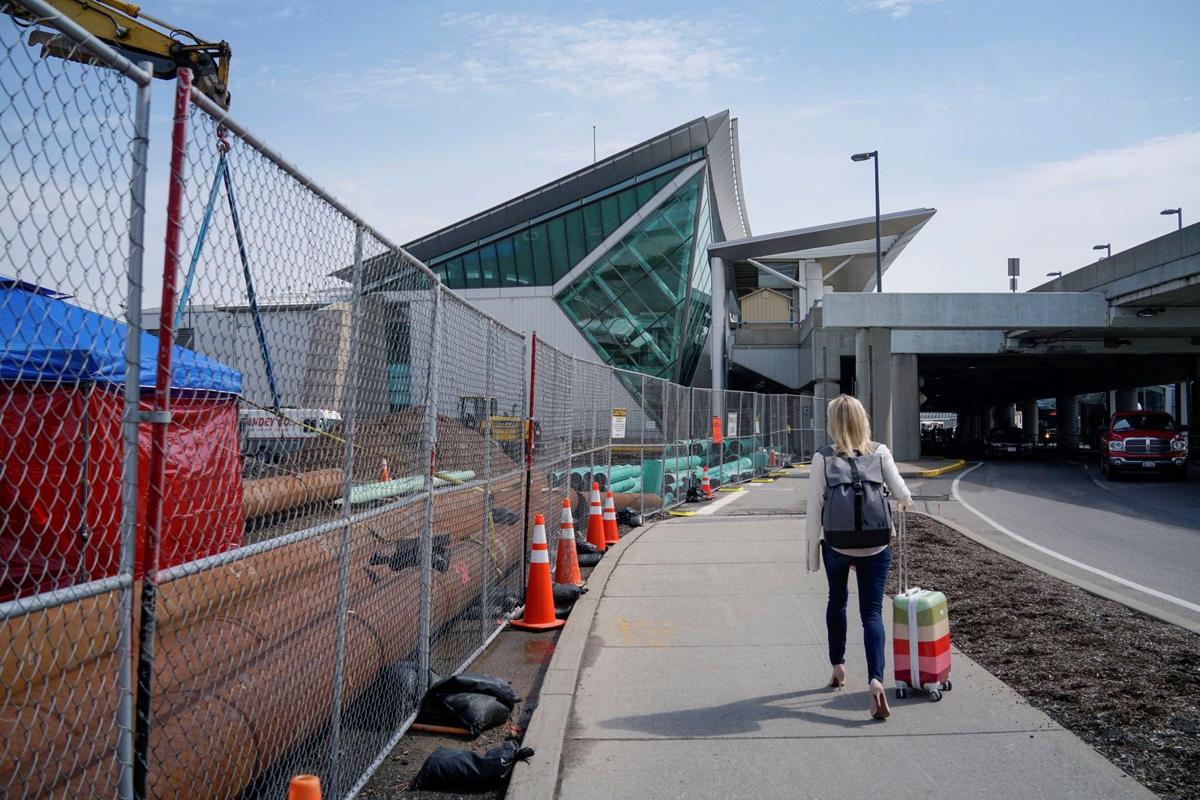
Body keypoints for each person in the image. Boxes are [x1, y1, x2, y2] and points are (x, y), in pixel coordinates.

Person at [806, 394, 912, 720]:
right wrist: (896, 502)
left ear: (833, 423)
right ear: (863, 419)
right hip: (876, 545)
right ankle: (877, 682)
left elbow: (814, 511)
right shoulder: (880, 453)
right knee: (872, 613)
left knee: (836, 602)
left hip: (837, 545)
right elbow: (903, 494)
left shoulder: (822, 458)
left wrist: (812, 555)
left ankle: (838, 667)